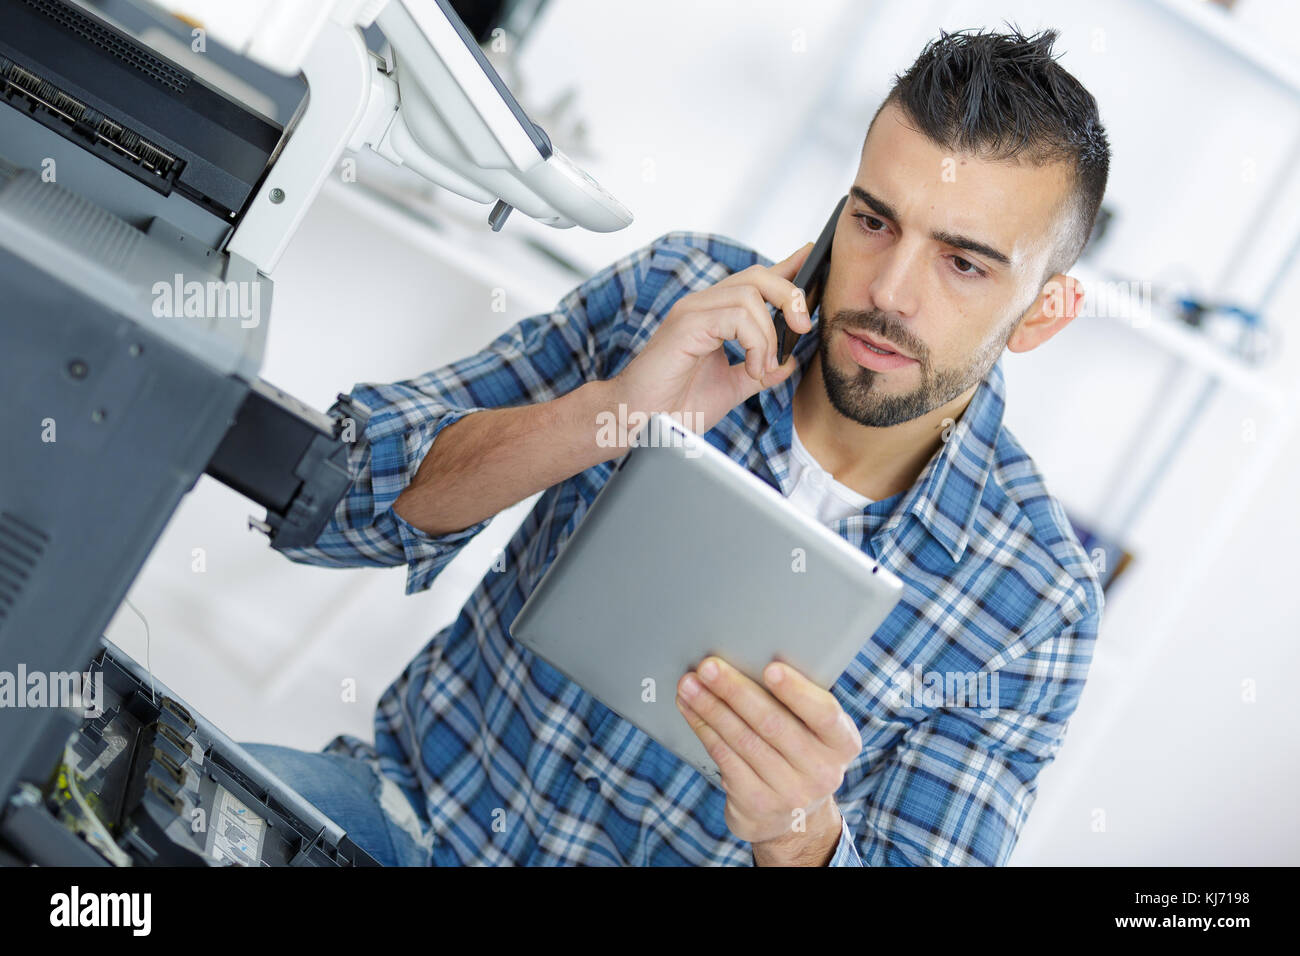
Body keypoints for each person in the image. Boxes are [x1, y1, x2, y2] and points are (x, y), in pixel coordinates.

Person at [249, 24, 1110, 866]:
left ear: (1042, 312)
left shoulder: (1037, 602)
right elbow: (334, 511)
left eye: (963, 263)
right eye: (875, 222)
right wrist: (613, 411)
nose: (888, 291)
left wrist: (802, 835)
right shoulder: (680, 296)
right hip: (400, 822)